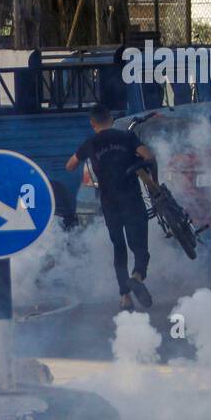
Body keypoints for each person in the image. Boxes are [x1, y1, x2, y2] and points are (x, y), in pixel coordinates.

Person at [65, 103, 155, 311]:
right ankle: (137, 276)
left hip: (109, 203)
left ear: (92, 124)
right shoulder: (127, 137)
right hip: (132, 198)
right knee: (139, 246)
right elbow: (148, 156)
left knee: (119, 248)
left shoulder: (90, 143)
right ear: (111, 119)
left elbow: (69, 166)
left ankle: (125, 297)